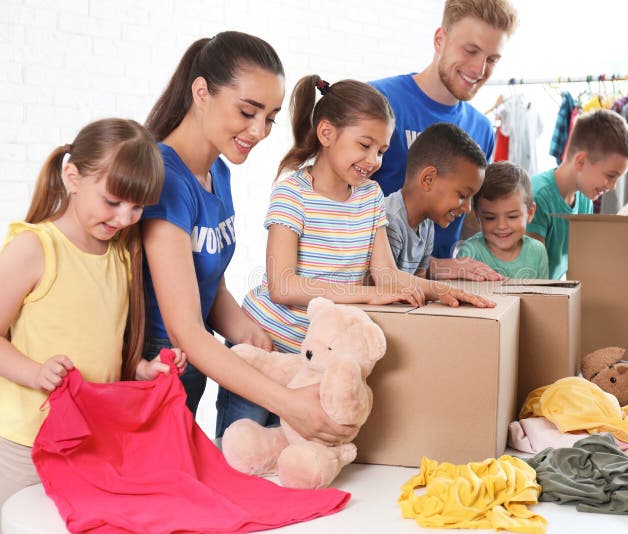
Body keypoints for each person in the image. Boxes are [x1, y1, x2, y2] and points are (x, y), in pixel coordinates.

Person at [234, 76, 496, 434]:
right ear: (327, 134)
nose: (374, 160)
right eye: (365, 145)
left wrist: (442, 291)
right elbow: (282, 286)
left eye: (382, 151)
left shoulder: (370, 197)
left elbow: (386, 274)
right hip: (265, 347)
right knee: (240, 445)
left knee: (293, 456)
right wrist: (367, 293)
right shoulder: (292, 194)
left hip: (317, 357)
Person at [141, 32, 353, 445]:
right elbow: (185, 330)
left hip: (194, 366)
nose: (259, 130)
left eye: (270, 117)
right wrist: (288, 403)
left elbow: (207, 280)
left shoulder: (219, 172)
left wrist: (251, 333)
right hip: (157, 367)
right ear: (201, 91)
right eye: (247, 111)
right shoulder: (165, 180)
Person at [0, 118, 188, 516]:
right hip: (24, 444)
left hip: (89, 441)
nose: (124, 218)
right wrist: (35, 373)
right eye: (113, 202)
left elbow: (100, 338)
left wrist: (138, 369)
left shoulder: (119, 255)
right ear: (73, 177)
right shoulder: (35, 248)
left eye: (137, 207)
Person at [370, 0, 518, 280]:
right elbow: (333, 210)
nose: (479, 69)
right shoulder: (379, 102)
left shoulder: (483, 129)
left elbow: (467, 217)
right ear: (440, 39)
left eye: (492, 59)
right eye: (471, 50)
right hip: (371, 293)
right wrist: (435, 267)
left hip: (434, 298)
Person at [526, 109, 628, 280]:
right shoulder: (537, 197)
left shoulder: (585, 199)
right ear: (580, 161)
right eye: (610, 176)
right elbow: (534, 278)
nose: (613, 186)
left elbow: (580, 264)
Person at [385, 122, 487, 276]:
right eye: (462, 195)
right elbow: (383, 289)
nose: (468, 208)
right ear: (428, 180)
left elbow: (420, 278)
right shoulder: (389, 222)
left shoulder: (426, 226)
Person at [457, 161, 548, 278]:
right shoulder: (470, 253)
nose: (501, 226)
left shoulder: (537, 252)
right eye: (490, 218)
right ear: (478, 215)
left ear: (530, 213)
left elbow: (544, 294)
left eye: (512, 216)